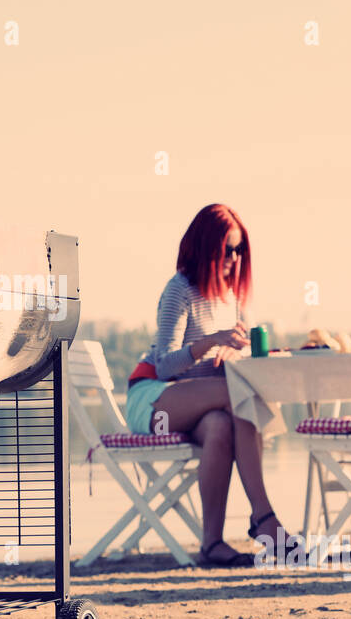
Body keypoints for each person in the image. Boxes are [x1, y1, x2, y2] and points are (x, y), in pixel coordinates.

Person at [127, 204, 299, 566]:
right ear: (205, 247)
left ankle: (211, 544)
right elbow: (163, 366)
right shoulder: (180, 290)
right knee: (240, 394)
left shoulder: (233, 297)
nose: (234, 258)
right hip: (155, 401)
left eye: (240, 250)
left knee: (221, 426)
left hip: (207, 408)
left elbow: (242, 351)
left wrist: (235, 354)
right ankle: (264, 518)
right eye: (227, 250)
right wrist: (211, 342)